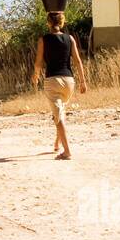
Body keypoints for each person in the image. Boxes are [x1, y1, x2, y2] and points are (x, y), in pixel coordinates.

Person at [31, 11, 87, 159]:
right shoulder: (70, 39)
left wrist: (35, 75)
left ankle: (67, 151)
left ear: (48, 23)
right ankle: (57, 144)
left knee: (58, 115)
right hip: (69, 81)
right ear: (62, 22)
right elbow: (77, 61)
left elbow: (38, 62)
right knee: (60, 111)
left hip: (52, 81)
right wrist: (83, 81)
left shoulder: (43, 40)